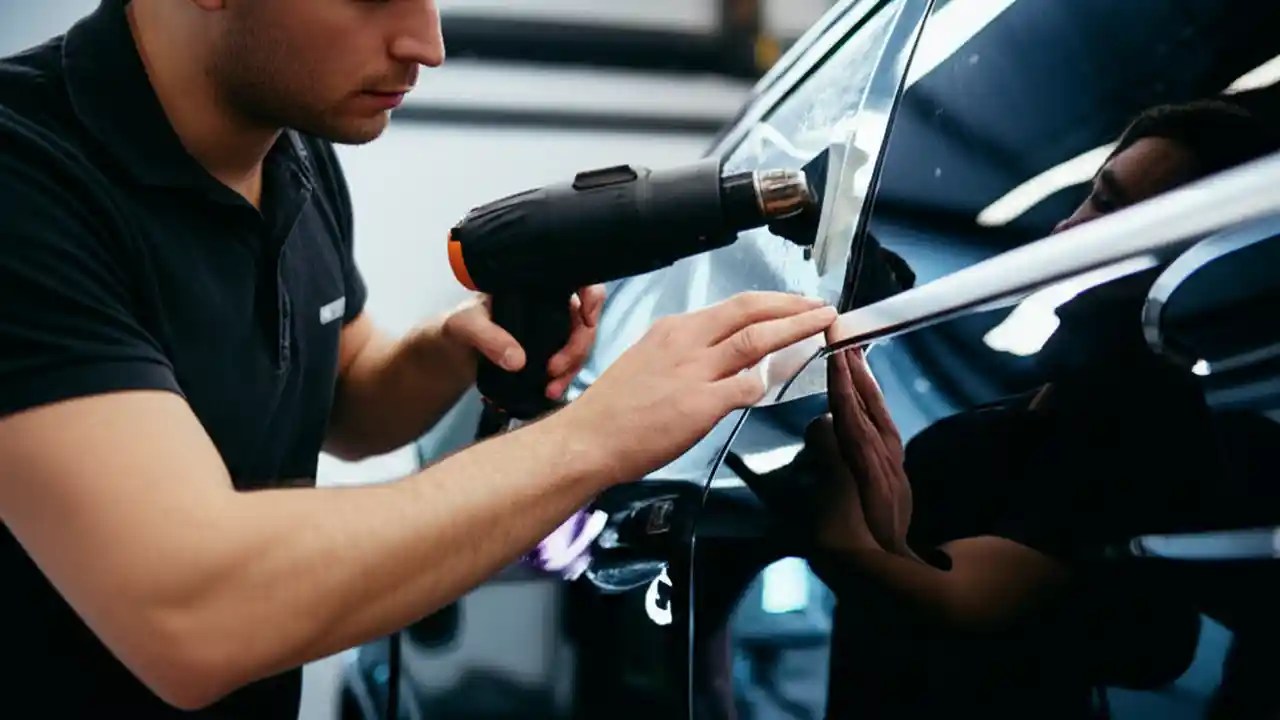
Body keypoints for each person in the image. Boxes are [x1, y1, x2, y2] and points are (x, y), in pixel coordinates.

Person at [0, 1, 839, 716]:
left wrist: (444, 352)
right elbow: (190, 609)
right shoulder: (25, 180)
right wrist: (599, 436)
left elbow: (345, 394)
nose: (427, 43)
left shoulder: (290, 148)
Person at [801, 99, 1279, 717]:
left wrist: (840, 506)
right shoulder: (1033, 416)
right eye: (1100, 199)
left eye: (1139, 226)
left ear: (1204, 275)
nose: (1073, 234)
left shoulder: (1150, 429)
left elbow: (962, 600)